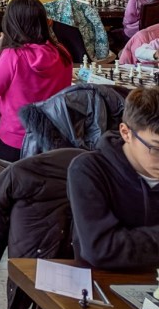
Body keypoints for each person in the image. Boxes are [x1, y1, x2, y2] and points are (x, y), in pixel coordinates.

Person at [0, 0, 72, 188]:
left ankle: (6, 192)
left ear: (11, 23)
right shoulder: (62, 53)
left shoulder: (14, 55)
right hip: (53, 141)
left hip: (16, 142)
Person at [68, 86, 159, 270]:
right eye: (156, 149)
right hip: (101, 284)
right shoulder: (88, 170)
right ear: (126, 133)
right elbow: (102, 250)